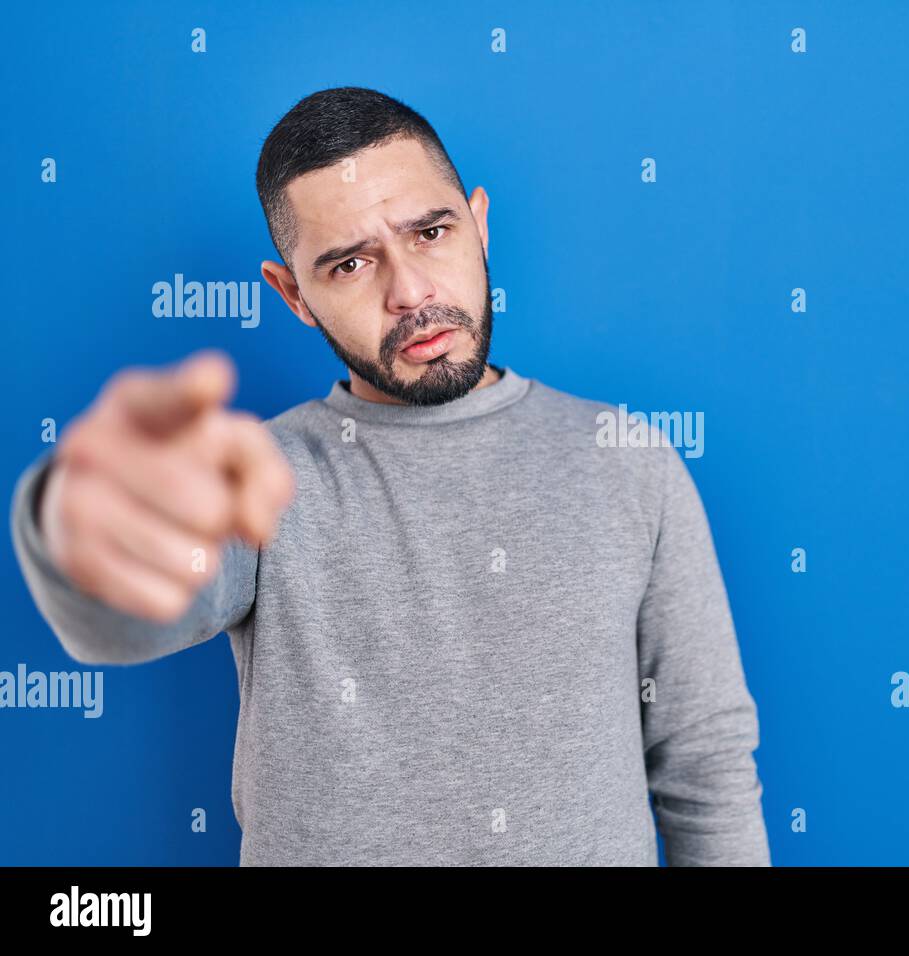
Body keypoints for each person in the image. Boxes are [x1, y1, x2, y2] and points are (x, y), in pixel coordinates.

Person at [9, 87, 770, 866]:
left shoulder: (629, 459)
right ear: (293, 295)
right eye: (350, 263)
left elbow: (705, 766)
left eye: (431, 232)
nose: (410, 291)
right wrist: (70, 520)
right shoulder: (255, 480)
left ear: (478, 224)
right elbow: (117, 621)